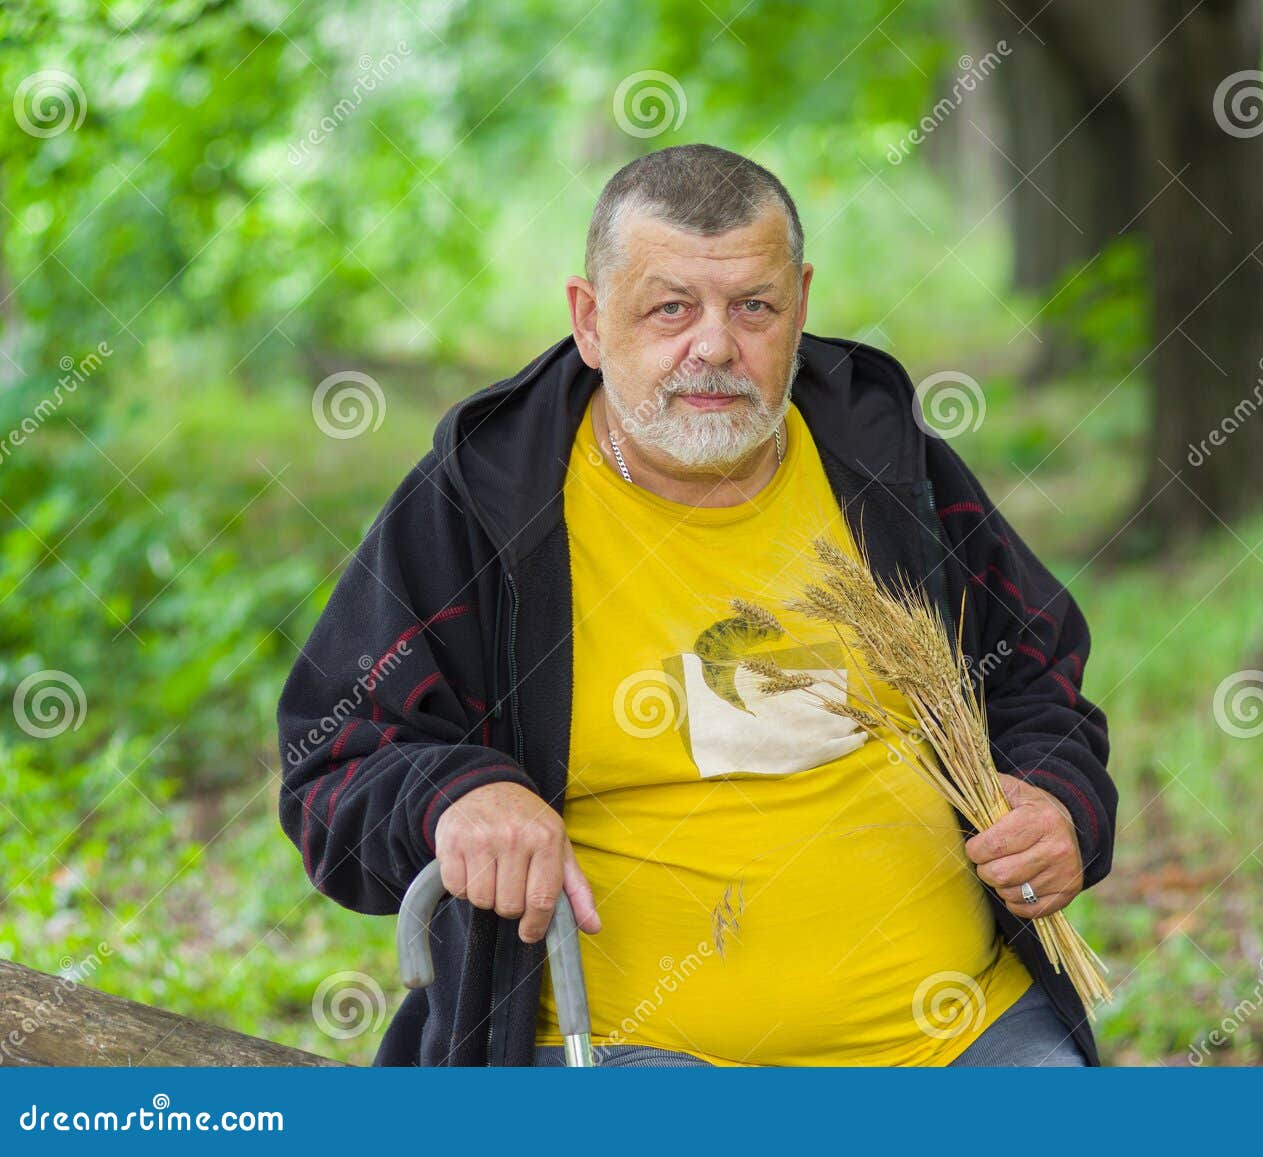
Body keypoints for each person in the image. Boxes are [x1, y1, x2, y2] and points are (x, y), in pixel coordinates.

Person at [277, 143, 1115, 1067]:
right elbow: (332, 758)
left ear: (799, 305)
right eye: (670, 307)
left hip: (965, 1038)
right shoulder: (484, 499)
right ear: (590, 321)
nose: (714, 344)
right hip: (631, 1057)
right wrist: (457, 796)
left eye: (753, 307)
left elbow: (1040, 682)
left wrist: (1060, 804)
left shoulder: (881, 462)